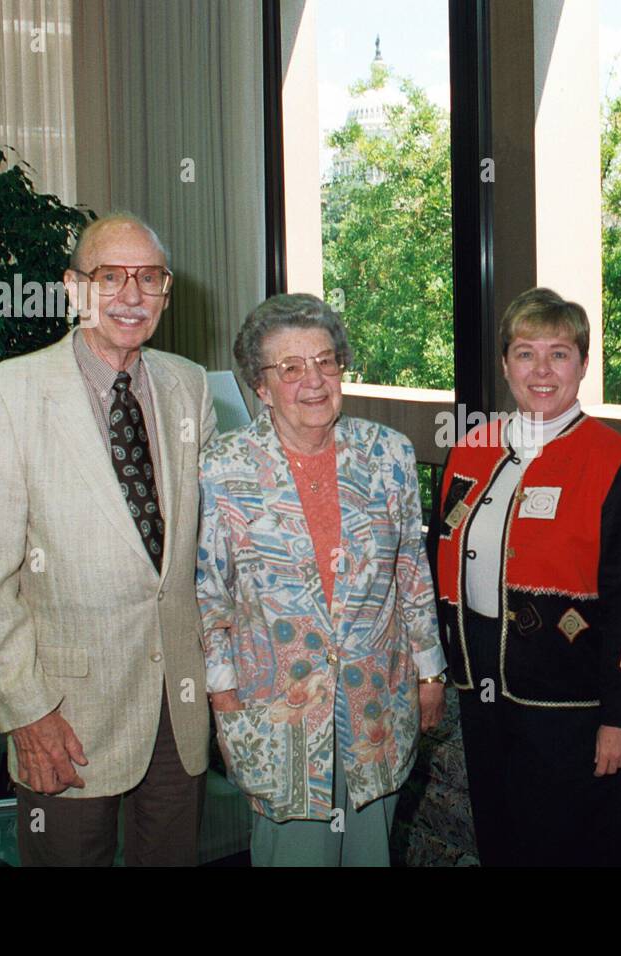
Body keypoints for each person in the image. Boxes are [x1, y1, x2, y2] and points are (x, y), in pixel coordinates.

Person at [0, 212, 217, 866]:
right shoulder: (8, 394)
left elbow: (211, 544)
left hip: (177, 705)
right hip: (65, 709)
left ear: (166, 292)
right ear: (74, 290)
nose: (132, 296)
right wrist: (25, 712)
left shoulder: (189, 388)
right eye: (111, 277)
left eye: (149, 278)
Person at [197, 293, 446, 867]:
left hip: (376, 697)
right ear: (261, 386)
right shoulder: (222, 467)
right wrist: (221, 688)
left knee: (370, 852)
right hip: (275, 700)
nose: (313, 380)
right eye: (290, 368)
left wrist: (430, 670)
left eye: (325, 361)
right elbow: (209, 589)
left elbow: (412, 567)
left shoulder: (389, 455)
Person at [429, 287, 621, 866]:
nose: (542, 369)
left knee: (571, 847)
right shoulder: (471, 447)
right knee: (499, 838)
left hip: (571, 699)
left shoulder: (615, 461)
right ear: (505, 364)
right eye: (526, 352)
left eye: (560, 353)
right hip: (481, 685)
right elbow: (438, 558)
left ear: (582, 364)